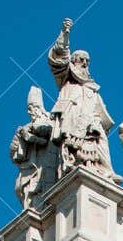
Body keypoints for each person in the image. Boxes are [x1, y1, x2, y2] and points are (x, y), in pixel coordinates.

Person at [47, 18, 115, 176]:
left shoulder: (91, 86)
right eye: (81, 59)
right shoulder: (66, 77)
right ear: (73, 61)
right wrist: (65, 34)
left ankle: (105, 171)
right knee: (71, 142)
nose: (84, 63)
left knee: (100, 141)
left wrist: (98, 119)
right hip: (72, 115)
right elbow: (58, 58)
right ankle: (70, 166)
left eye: (87, 61)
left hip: (91, 119)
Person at [10, 87, 56, 209]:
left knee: (41, 188)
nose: (30, 112)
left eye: (32, 108)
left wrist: (31, 136)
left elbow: (48, 137)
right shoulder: (26, 127)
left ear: (39, 108)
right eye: (29, 109)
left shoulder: (49, 121)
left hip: (45, 163)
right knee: (23, 189)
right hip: (29, 167)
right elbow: (15, 155)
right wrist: (20, 138)